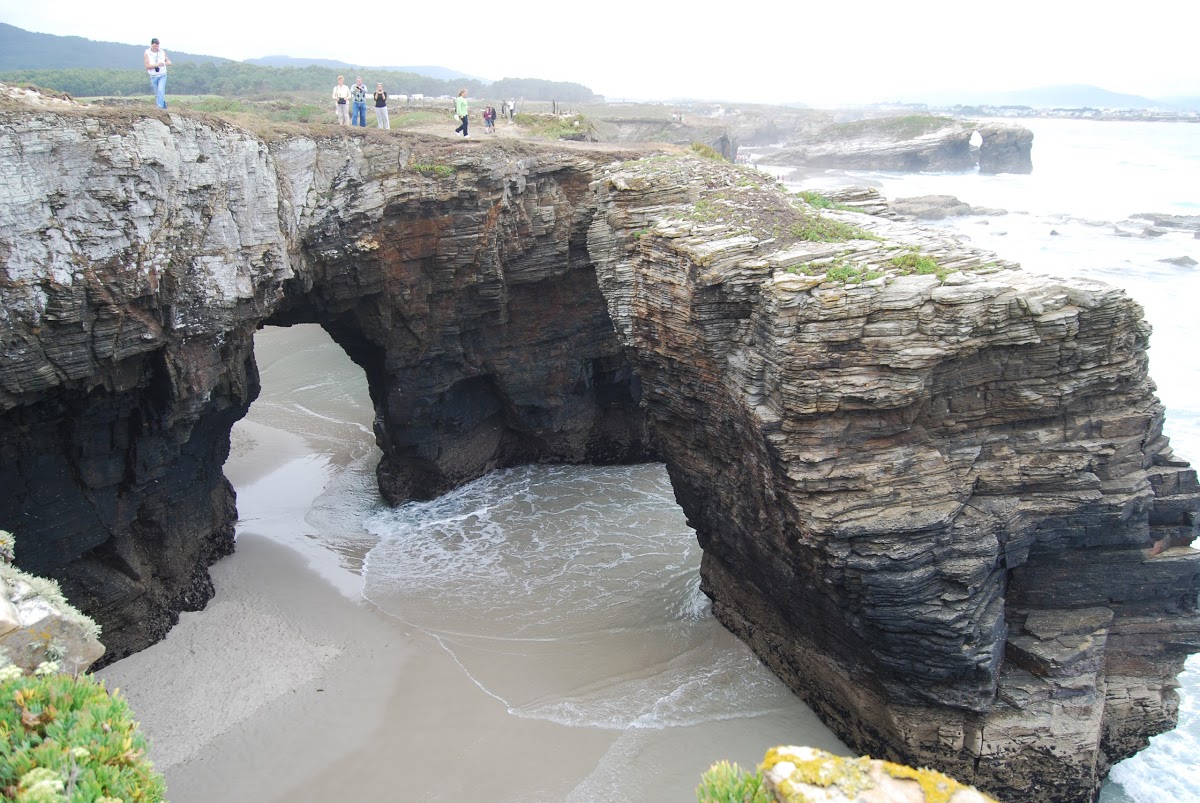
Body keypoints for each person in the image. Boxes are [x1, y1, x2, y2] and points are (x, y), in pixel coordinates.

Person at [143, 38, 172, 110]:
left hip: (162, 75)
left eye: (158, 46)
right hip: (153, 76)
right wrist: (156, 65)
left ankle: (159, 108)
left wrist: (165, 63)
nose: (157, 47)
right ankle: (164, 106)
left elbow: (169, 61)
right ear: (151, 45)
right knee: (157, 93)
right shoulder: (147, 53)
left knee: (161, 90)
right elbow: (147, 66)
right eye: (155, 46)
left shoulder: (162, 52)